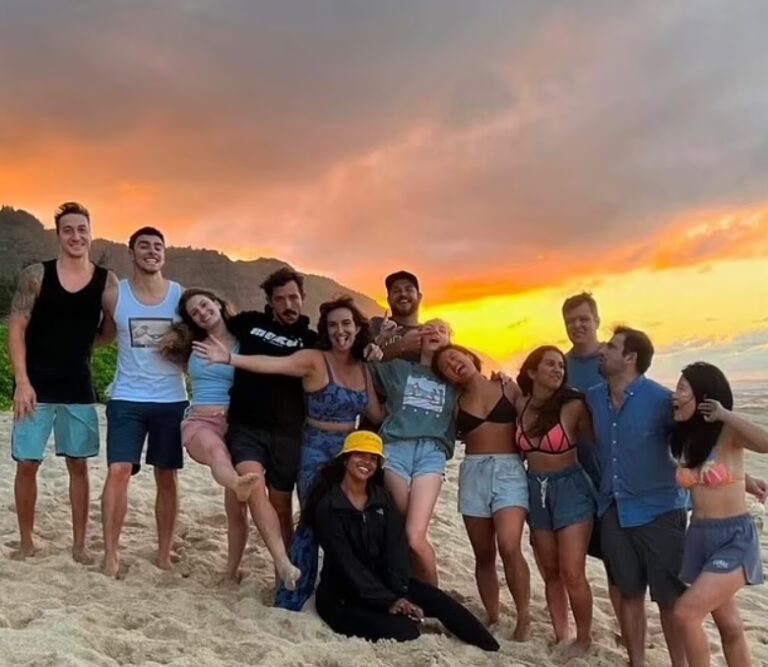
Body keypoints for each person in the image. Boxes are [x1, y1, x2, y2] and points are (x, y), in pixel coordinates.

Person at [193, 295, 383, 610]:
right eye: (333, 325)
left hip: (350, 452)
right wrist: (230, 359)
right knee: (314, 516)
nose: (340, 331)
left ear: (359, 327)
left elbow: (376, 413)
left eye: (346, 324)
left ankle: (347, 587)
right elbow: (272, 364)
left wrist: (384, 355)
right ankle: (292, 595)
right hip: (315, 449)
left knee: (353, 519)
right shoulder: (314, 359)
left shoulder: (365, 369)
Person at [305, 430, 499, 651]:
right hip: (343, 595)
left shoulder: (382, 498)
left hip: (385, 581)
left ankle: (494, 651)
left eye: (373, 458)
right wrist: (389, 601)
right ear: (346, 458)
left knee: (440, 600)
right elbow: (346, 563)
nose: (366, 462)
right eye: (360, 455)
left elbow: (395, 548)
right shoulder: (328, 505)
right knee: (405, 630)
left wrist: (400, 592)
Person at [160, 288, 299, 587]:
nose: (201, 313)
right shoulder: (191, 343)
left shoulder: (245, 341)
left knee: (237, 506)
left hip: (237, 425)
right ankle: (236, 482)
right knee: (217, 456)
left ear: (219, 304)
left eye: (205, 305)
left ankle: (241, 568)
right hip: (201, 422)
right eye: (194, 312)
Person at [7, 201, 117, 563]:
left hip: (78, 387)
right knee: (27, 464)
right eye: (68, 229)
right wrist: (22, 381)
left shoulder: (106, 280)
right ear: (59, 235)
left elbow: (109, 331)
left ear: (90, 232)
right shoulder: (36, 275)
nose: (76, 236)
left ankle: (80, 544)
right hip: (34, 386)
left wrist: (84, 344)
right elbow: (17, 328)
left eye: (81, 229)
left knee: (79, 465)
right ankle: (26, 541)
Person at [586, 326, 688, 667]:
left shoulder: (662, 401)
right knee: (628, 594)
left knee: (671, 600)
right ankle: (637, 661)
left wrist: (739, 478)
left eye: (611, 347)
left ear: (630, 358)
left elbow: (699, 449)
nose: (602, 350)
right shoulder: (593, 397)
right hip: (614, 511)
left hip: (661, 512)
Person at [100, 226, 187, 577]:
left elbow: (205, 335)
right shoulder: (114, 295)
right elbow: (100, 333)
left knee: (166, 476)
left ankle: (164, 553)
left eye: (157, 246)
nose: (152, 251)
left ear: (164, 254)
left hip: (171, 398)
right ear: (131, 251)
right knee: (118, 471)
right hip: (126, 397)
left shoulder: (180, 297)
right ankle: (110, 555)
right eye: (144, 246)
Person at [432, 343, 531, 640]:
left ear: (468, 355)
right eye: (446, 366)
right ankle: (493, 615)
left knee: (510, 545)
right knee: (483, 554)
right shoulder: (455, 403)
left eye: (455, 356)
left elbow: (531, 418)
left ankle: (524, 617)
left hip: (510, 471)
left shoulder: (506, 386)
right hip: (474, 471)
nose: (454, 363)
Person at [671, 362, 766, 667]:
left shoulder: (727, 432)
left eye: (682, 388)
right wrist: (747, 481)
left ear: (704, 398)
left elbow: (765, 444)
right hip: (699, 537)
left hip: (734, 538)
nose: (675, 395)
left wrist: (725, 414)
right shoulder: (686, 438)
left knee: (686, 612)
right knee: (730, 627)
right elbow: (712, 472)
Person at [218, 268, 317, 554]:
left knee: (282, 507)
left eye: (294, 298)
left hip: (287, 432)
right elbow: (214, 319)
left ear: (302, 298)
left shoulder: (311, 340)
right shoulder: (250, 323)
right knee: (253, 487)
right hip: (245, 426)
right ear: (270, 302)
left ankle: (282, 575)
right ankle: (277, 562)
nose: (288, 305)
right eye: (281, 299)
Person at [515, 345, 595, 657]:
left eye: (561, 365)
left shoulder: (573, 405)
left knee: (573, 572)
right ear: (532, 372)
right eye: (550, 364)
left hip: (571, 488)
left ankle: (584, 637)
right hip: (535, 489)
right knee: (550, 572)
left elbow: (603, 442)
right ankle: (562, 633)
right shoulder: (520, 403)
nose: (557, 370)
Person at [370, 318, 456, 586]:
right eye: (428, 328)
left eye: (442, 330)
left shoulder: (455, 379)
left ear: (450, 341)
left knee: (415, 535)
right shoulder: (398, 368)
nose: (434, 332)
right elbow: (364, 364)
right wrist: (385, 340)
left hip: (432, 453)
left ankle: (435, 598)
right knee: (402, 526)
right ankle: (407, 581)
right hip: (395, 449)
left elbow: (483, 392)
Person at [561, 292, 623, 635]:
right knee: (573, 562)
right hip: (575, 477)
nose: (577, 326)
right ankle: (579, 630)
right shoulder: (562, 364)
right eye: (570, 321)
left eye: (584, 319)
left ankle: (623, 624)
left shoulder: (615, 359)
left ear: (597, 320)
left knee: (618, 563)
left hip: (614, 476)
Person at [369, 270, 423, 362]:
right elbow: (363, 361)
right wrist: (401, 346)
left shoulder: (429, 332)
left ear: (419, 297)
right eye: (396, 291)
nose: (403, 294)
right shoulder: (377, 324)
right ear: (388, 299)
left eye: (408, 289)